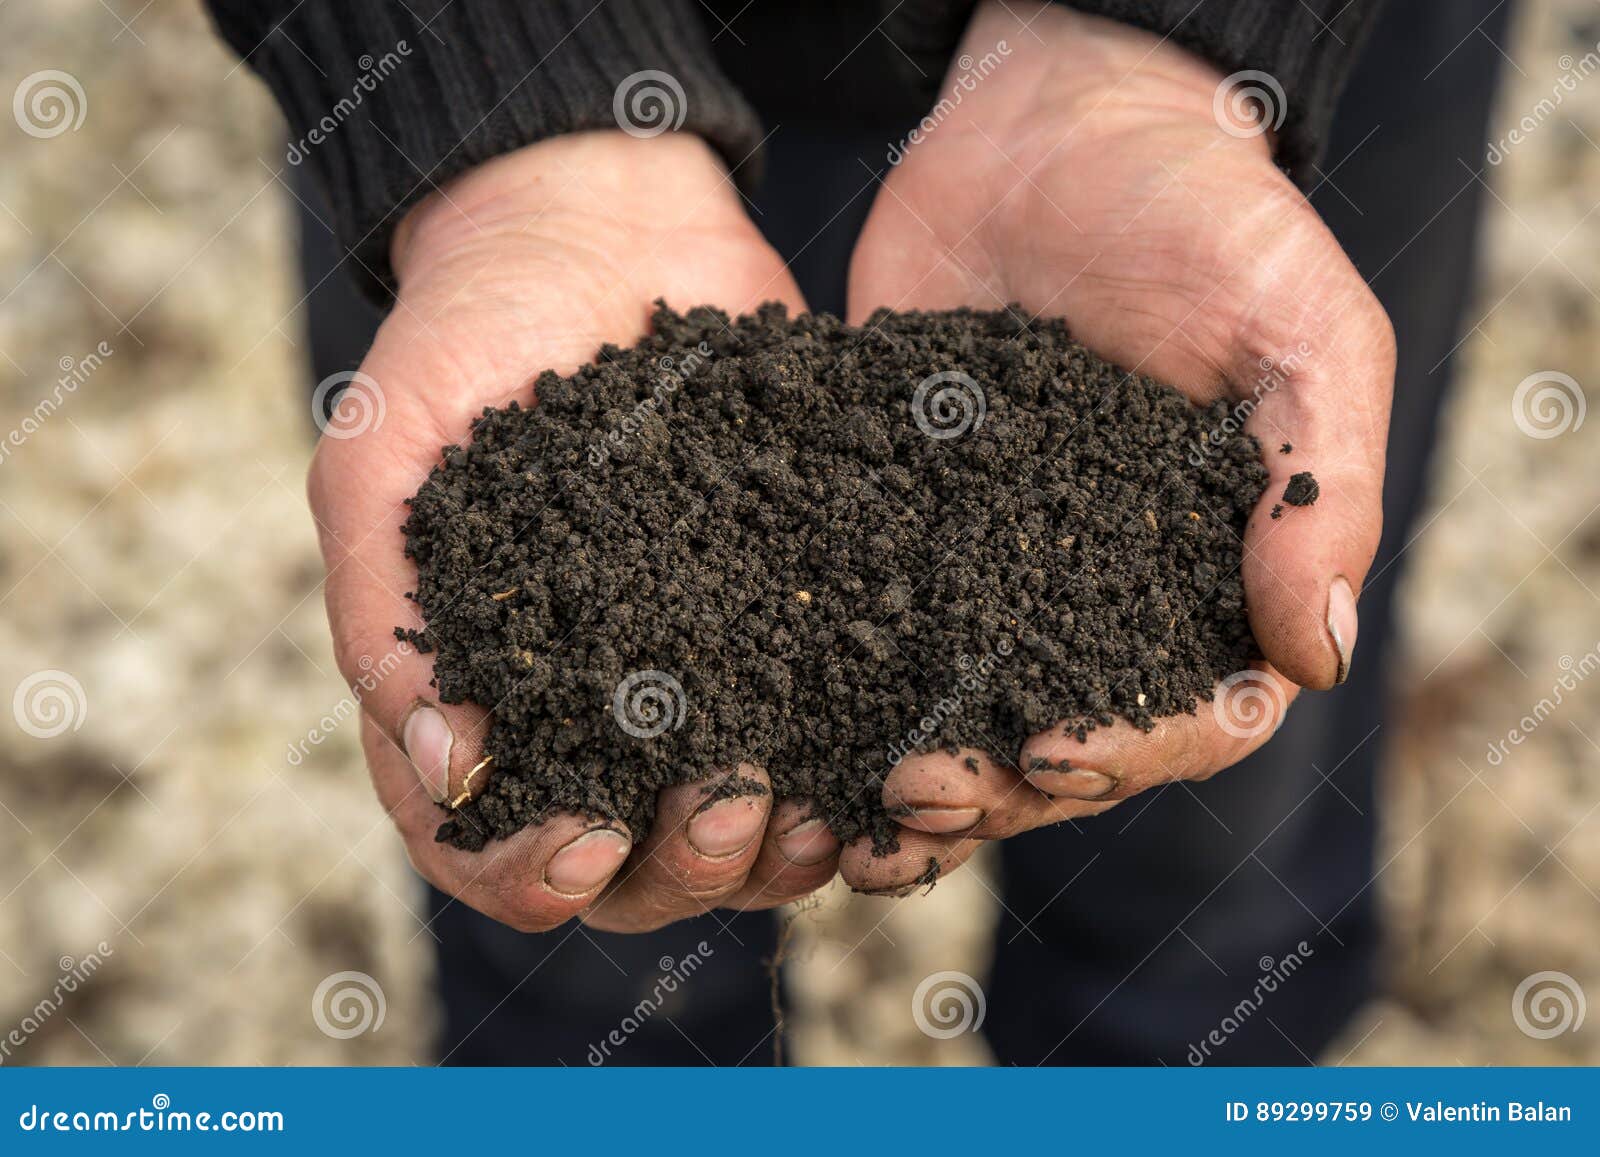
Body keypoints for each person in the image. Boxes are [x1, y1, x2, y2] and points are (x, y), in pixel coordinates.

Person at [206, 0, 1509, 1064]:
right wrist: (486, 103)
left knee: (1211, 909)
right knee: (587, 939)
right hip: (501, 70)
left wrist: (1171, 47)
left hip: (1268, 62)